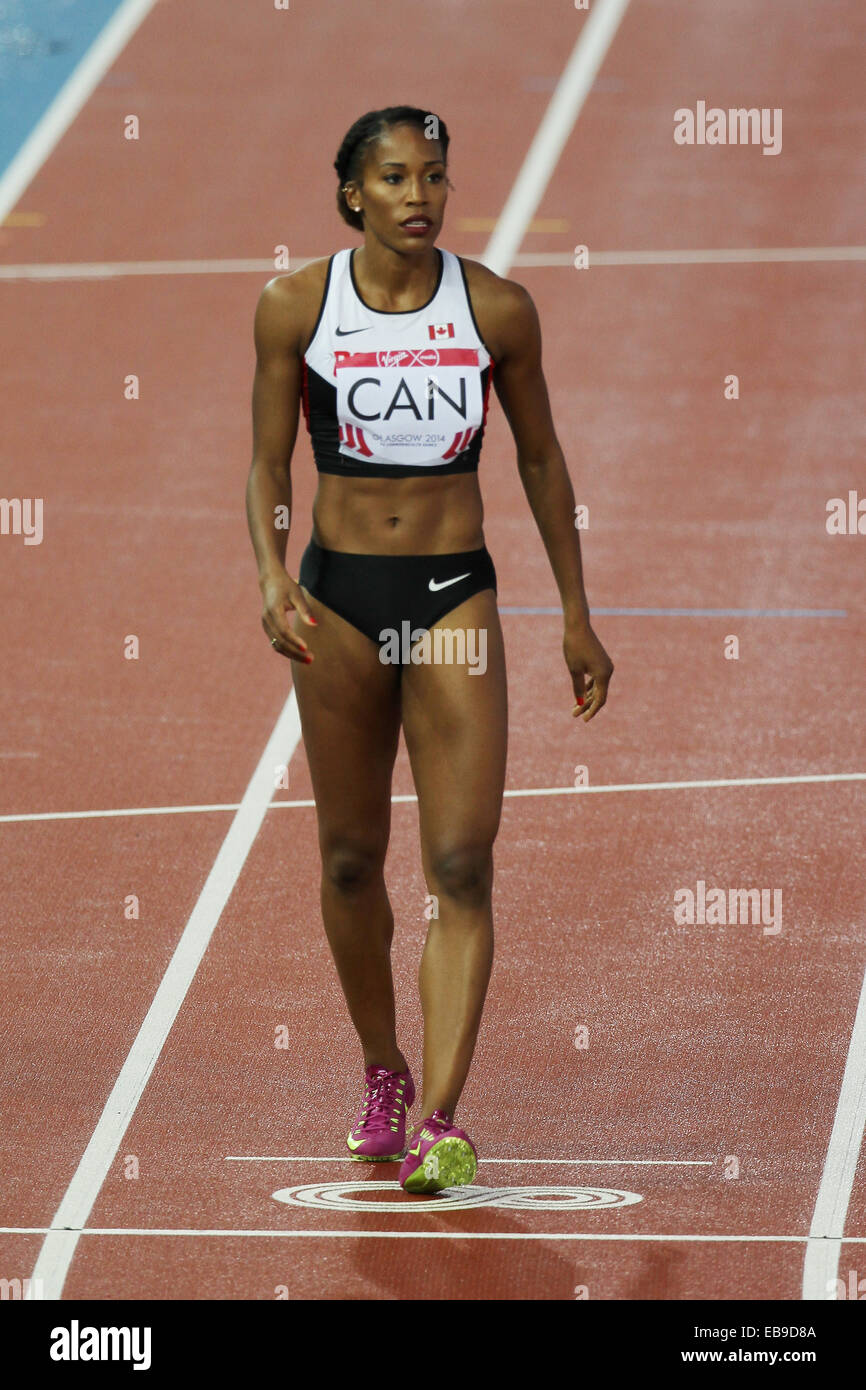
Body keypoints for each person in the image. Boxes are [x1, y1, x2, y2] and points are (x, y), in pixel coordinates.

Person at [246, 106, 613, 1194]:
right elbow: (266, 466)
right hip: (340, 599)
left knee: (460, 861)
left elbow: (540, 460)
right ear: (352, 192)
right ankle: (382, 1070)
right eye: (395, 177)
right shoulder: (294, 307)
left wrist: (574, 612)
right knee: (350, 859)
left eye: (435, 177)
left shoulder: (494, 308)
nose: (419, 196)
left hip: (452, 597)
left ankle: (442, 1117)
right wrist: (271, 578)